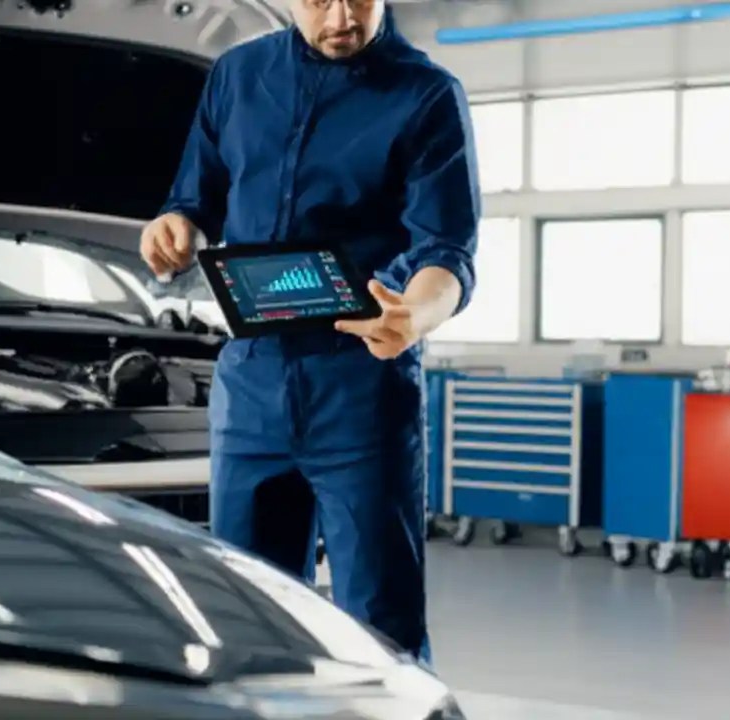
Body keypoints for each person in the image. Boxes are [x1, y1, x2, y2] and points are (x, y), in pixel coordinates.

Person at [139, 0, 479, 664]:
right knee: (245, 610)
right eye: (318, 0)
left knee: (381, 627)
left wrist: (417, 314)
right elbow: (193, 200)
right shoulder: (235, 77)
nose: (341, 17)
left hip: (361, 384)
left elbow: (449, 251)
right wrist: (174, 227)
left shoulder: (428, 95)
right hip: (250, 383)